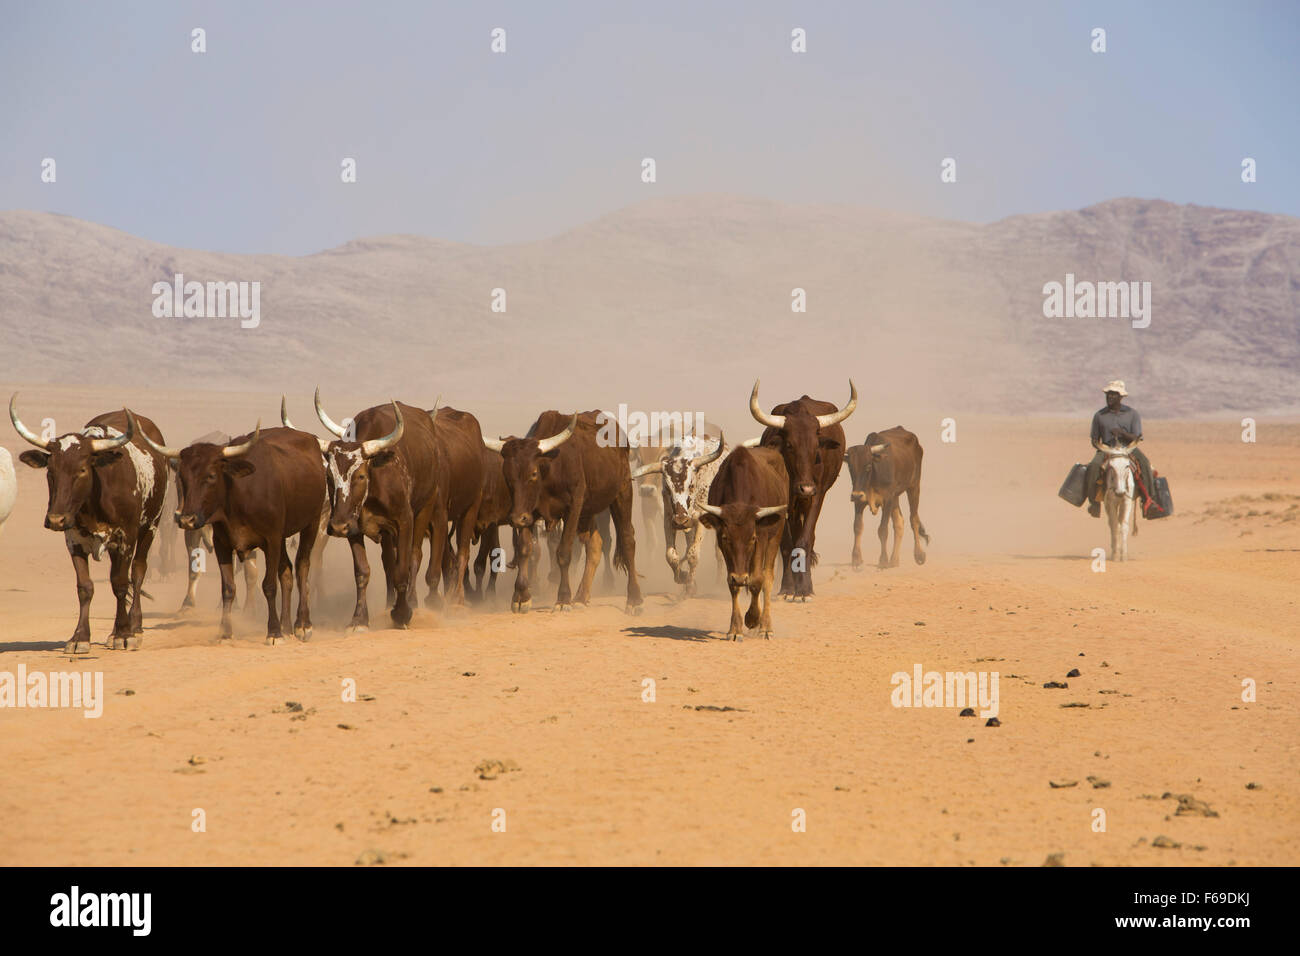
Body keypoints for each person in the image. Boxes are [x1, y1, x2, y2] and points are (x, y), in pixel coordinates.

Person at [1085, 380, 1155, 518]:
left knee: (1145, 463)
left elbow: (1137, 437)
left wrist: (1122, 433)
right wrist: (1103, 449)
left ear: (1121, 397)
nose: (1110, 397)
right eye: (1108, 394)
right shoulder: (1099, 415)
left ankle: (1149, 501)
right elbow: (1094, 440)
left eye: (1114, 394)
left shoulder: (1132, 414)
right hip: (1106, 449)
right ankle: (1094, 503)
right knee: (1093, 466)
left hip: (1128, 448)